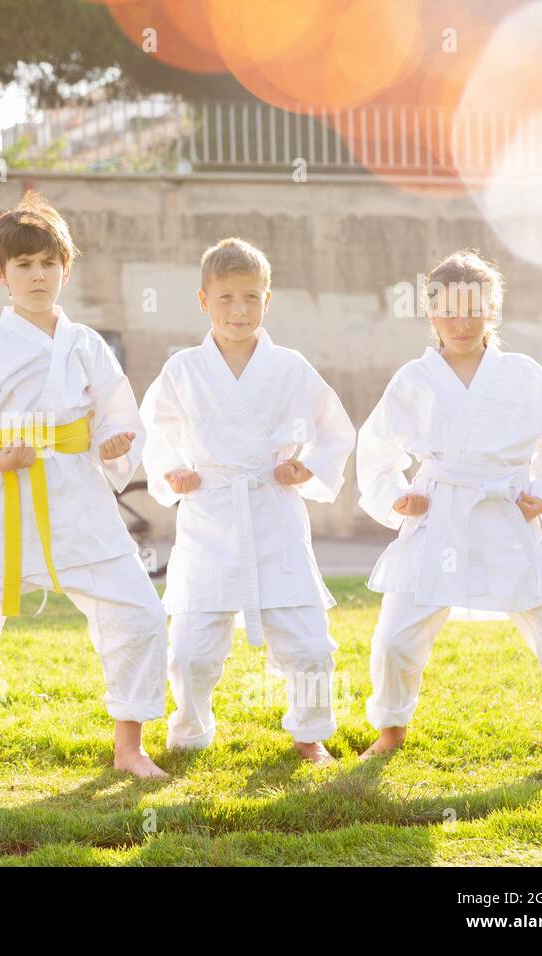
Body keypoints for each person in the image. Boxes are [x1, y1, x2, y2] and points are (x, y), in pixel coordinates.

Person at [0, 192, 168, 782]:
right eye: (24, 265)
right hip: (1, 500)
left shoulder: (87, 346)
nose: (38, 276)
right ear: (1, 274)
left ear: (65, 268)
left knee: (138, 613)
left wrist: (113, 444)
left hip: (78, 496)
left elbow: (121, 417)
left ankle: (129, 745)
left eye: (49, 263)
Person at [356, 249, 542, 767]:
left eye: (474, 308)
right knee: (394, 640)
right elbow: (376, 450)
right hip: (438, 514)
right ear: (430, 314)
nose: (462, 321)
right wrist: (396, 495)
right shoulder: (414, 379)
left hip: (505, 514)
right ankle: (390, 732)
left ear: (494, 311)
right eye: (449, 310)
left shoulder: (526, 377)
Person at [140, 237, 355, 765]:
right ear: (203, 300)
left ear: (268, 301)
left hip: (272, 509)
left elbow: (334, 430)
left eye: (251, 298)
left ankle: (310, 734)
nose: (239, 310)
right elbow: (156, 431)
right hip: (209, 512)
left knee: (309, 647)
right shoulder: (184, 369)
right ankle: (190, 730)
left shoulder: (290, 367)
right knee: (190, 652)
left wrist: (306, 467)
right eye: (226, 298)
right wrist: (174, 473)